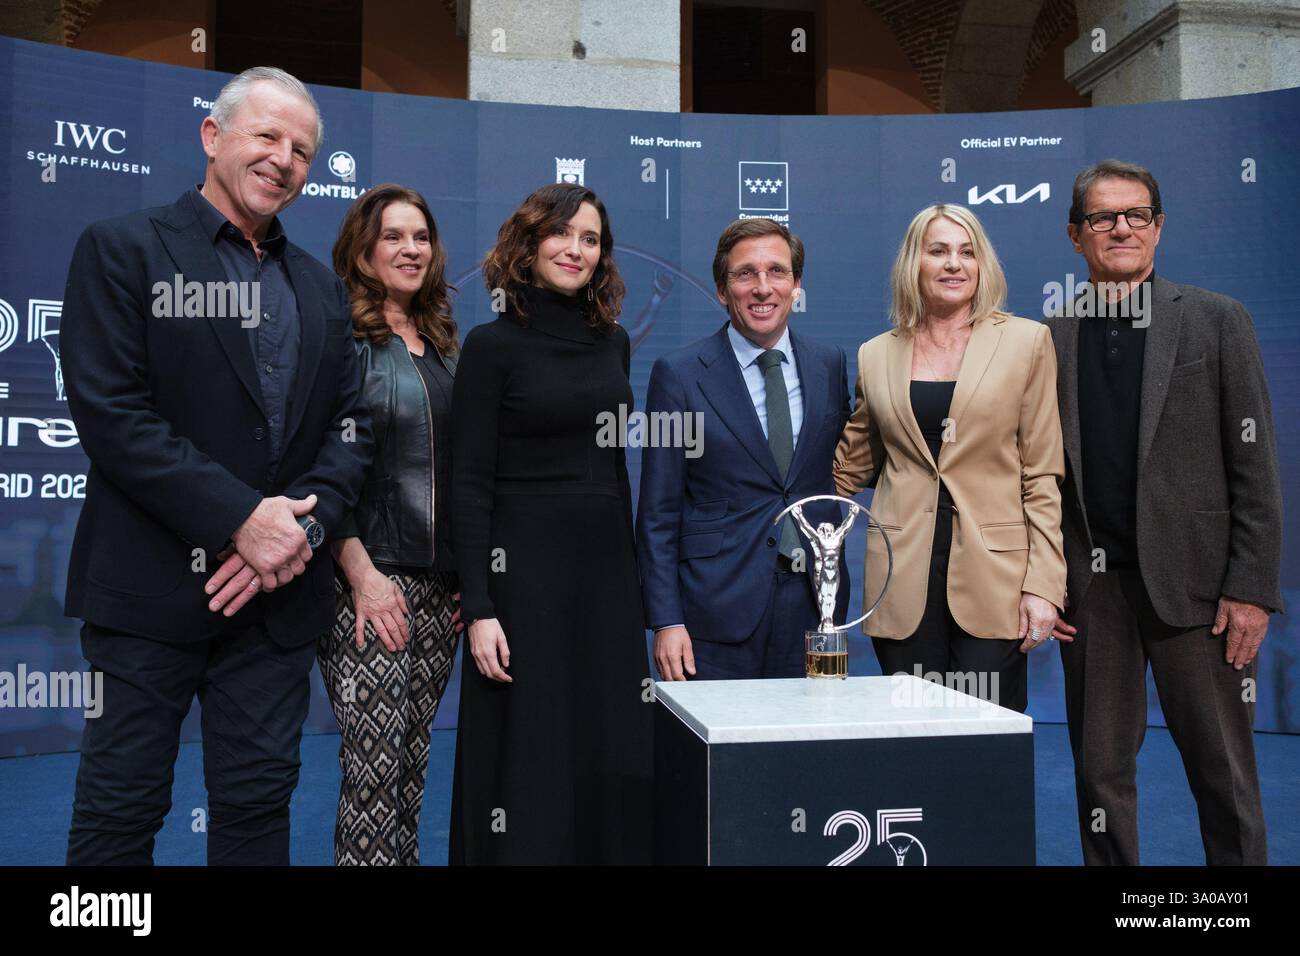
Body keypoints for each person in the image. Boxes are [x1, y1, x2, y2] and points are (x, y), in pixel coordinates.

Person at [60, 66, 373, 865]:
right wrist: (240, 520)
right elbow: (112, 415)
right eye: (266, 136)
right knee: (119, 814)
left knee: (258, 811)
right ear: (213, 137)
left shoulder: (322, 289)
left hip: (273, 607)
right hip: (147, 594)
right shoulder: (122, 250)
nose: (284, 159)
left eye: (301, 150)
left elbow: (350, 430)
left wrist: (294, 540)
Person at [1044, 159, 1280, 865]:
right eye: (1102, 218)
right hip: (1093, 592)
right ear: (1074, 235)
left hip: (1202, 592)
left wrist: (1251, 589)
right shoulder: (1048, 338)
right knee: (1099, 777)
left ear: (1159, 227)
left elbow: (1256, 465)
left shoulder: (1215, 320)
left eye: (1135, 215)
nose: (1120, 228)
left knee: (1224, 777)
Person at [448, 183, 652, 864]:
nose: (576, 249)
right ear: (529, 244)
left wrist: (630, 588)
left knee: (605, 738)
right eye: (562, 234)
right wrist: (478, 605)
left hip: (604, 580)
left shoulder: (615, 342)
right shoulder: (490, 345)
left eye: (590, 239)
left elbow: (615, 471)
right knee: (528, 746)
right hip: (521, 582)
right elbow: (469, 481)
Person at [833, 204, 1066, 713]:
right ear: (913, 263)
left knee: (987, 739)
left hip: (995, 580)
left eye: (967, 252)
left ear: (983, 265)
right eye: (937, 251)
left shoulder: (1027, 343)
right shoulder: (876, 354)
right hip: (902, 579)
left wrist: (1045, 585)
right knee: (912, 738)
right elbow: (849, 466)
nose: (953, 264)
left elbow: (1042, 473)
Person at [638, 218, 851, 681]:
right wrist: (666, 619)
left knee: (808, 747)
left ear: (796, 285)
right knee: (720, 752)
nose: (762, 288)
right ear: (721, 289)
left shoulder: (829, 364)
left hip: (815, 602)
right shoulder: (678, 375)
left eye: (777, 272)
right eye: (744, 274)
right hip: (714, 608)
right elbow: (658, 511)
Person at [317, 184, 462, 865]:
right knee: (372, 779)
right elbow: (313, 470)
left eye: (421, 237)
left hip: (438, 592)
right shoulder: (337, 339)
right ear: (364, 249)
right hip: (366, 586)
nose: (411, 249)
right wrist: (362, 575)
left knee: (409, 773)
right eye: (394, 236)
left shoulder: (442, 343)